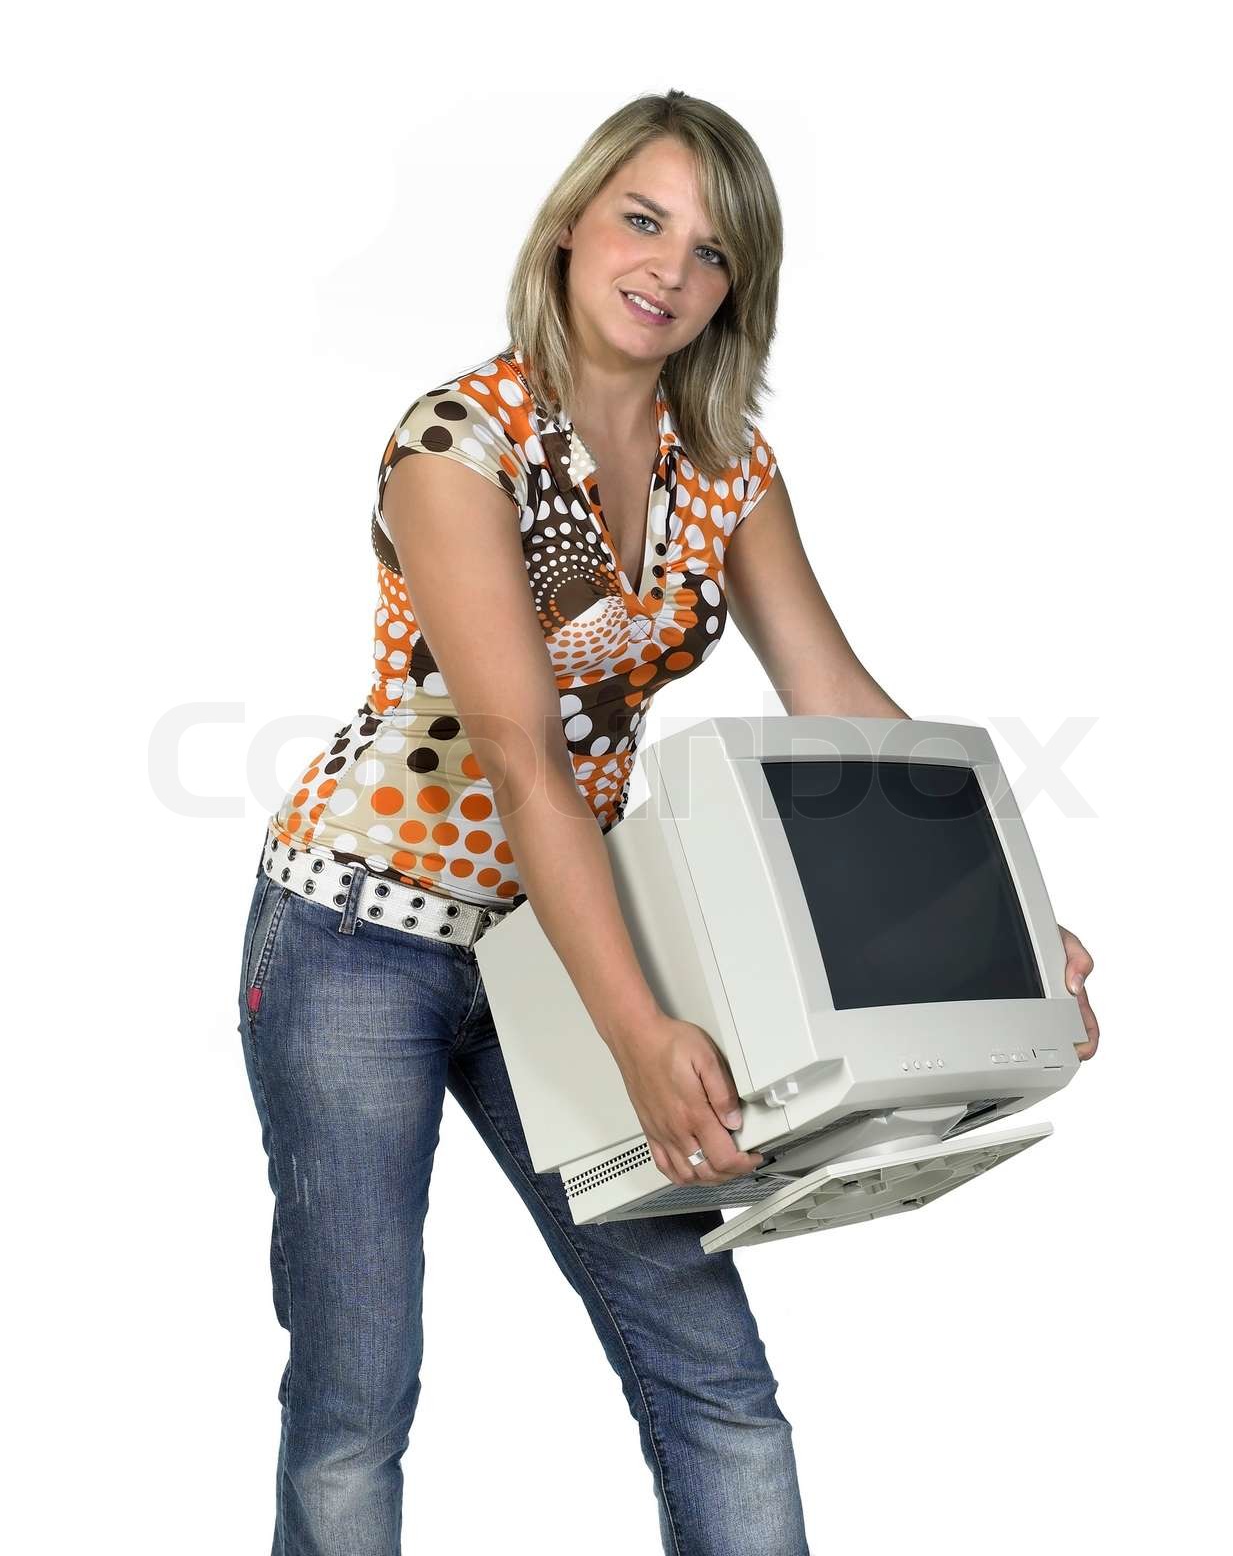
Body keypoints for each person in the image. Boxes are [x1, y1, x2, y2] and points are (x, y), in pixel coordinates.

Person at [237, 88, 1101, 1556]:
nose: (670, 268)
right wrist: (640, 1033)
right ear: (573, 225)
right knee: (355, 1401)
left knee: (717, 1384)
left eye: (712, 251)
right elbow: (523, 762)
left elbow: (836, 699)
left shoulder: (727, 468)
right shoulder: (458, 443)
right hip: (357, 936)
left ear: (735, 291)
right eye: (644, 219)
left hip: (552, 944)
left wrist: (1012, 921)